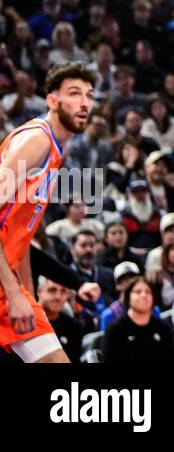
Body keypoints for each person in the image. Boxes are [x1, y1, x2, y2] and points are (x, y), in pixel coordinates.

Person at [0, 62, 96, 364]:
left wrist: (27, 294)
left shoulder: (55, 151)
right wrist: (15, 294)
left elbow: (22, 233)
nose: (84, 103)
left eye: (89, 95)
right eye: (74, 93)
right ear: (52, 100)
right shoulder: (36, 140)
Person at [102, 275, 174, 363]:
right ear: (128, 297)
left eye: (148, 292)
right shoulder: (115, 330)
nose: (144, 295)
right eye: (138, 292)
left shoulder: (163, 328)